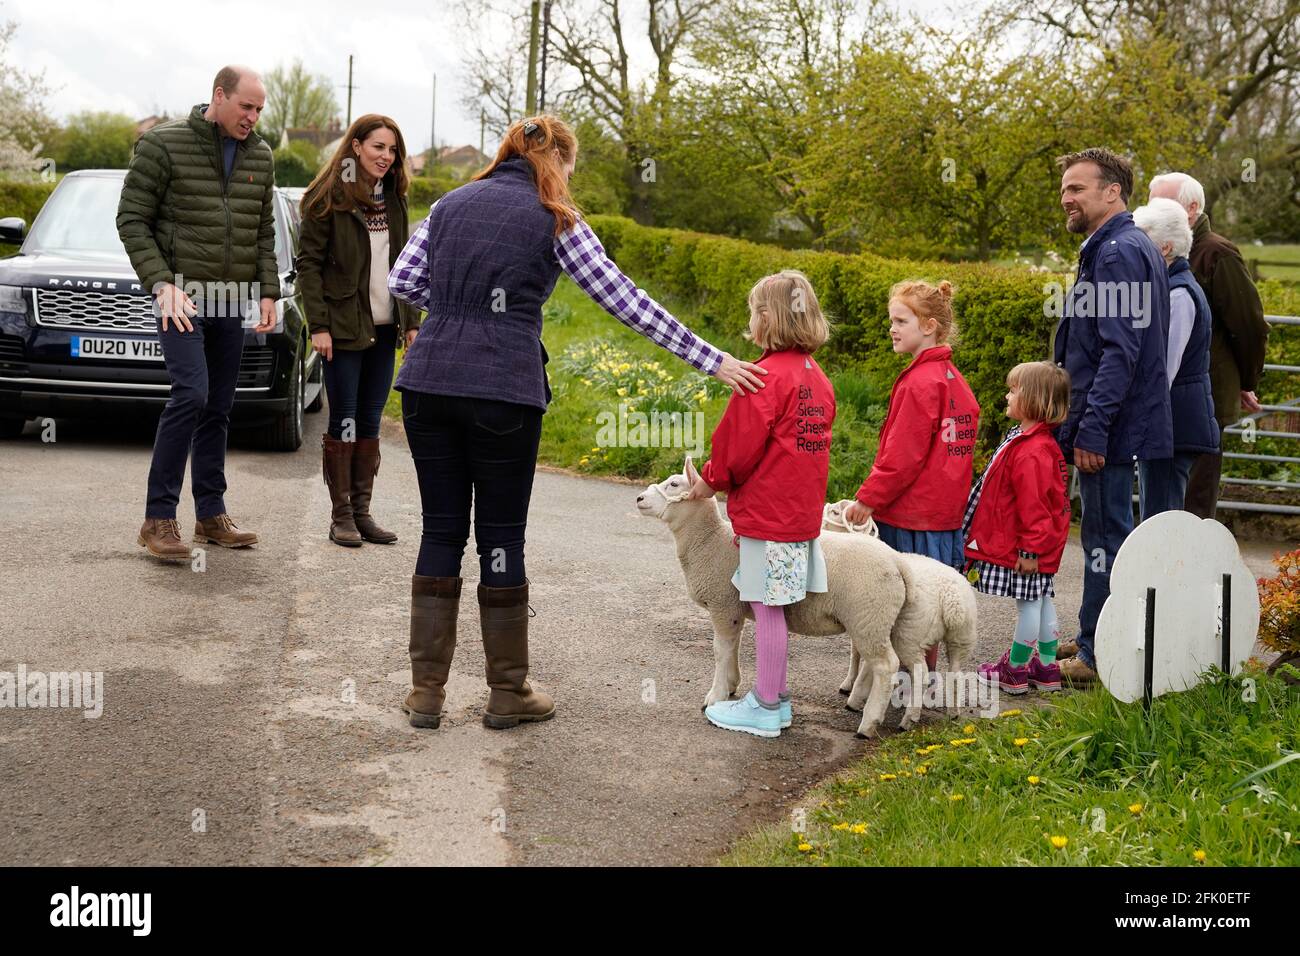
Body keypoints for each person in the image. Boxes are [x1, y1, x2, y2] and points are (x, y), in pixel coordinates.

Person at [387, 115, 767, 731]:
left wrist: (460, 312)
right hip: (504, 391)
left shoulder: (449, 204)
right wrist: (712, 359)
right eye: (569, 169)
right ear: (558, 160)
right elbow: (624, 300)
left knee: (440, 532)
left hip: (428, 383)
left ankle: (426, 693)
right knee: (501, 539)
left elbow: (402, 279)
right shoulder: (556, 218)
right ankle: (507, 692)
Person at [117, 65, 279, 562]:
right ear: (219, 96)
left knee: (219, 407)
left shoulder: (262, 155)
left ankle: (211, 515)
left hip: (230, 299)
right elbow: (131, 219)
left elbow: (262, 231)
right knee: (191, 392)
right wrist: (161, 283)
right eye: (245, 106)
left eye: (258, 110)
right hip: (181, 296)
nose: (252, 117)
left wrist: (268, 292)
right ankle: (158, 518)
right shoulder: (164, 145)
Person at [686, 271, 835, 738]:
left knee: (765, 606)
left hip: (767, 516)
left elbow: (736, 445)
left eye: (754, 312)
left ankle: (766, 706)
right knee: (776, 605)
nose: (750, 320)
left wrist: (709, 480)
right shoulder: (817, 377)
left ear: (767, 318)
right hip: (797, 514)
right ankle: (778, 696)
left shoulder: (763, 377)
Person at [1051, 148, 1171, 684]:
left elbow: (1118, 352)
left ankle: (1102, 656)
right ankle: (1095, 635)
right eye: (1064, 189)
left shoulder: (1118, 252)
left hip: (1111, 429)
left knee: (1106, 539)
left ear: (1112, 192)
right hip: (1116, 425)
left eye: (1077, 188)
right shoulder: (1119, 245)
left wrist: (1092, 427)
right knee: (1106, 535)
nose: (1067, 198)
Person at [843, 279, 980, 674]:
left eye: (901, 320)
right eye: (892, 320)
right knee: (930, 605)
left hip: (910, 516)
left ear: (929, 325)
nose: (892, 328)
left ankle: (904, 685)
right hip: (943, 516)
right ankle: (923, 682)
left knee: (905, 605)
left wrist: (868, 499)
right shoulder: (955, 382)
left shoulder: (920, 383)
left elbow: (901, 458)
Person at [296, 114, 421, 547]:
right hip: (343, 329)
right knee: (344, 418)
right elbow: (308, 267)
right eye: (378, 147)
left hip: (386, 329)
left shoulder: (396, 198)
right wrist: (320, 326)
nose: (386, 157)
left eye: (392, 150)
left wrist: (411, 323)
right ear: (355, 147)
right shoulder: (326, 198)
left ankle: (363, 512)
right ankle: (341, 516)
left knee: (370, 419)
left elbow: (406, 264)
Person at [1148, 172, 1270, 519]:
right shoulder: (1160, 252)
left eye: (1163, 203)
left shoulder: (1216, 252)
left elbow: (1247, 325)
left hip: (1207, 397)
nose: (1152, 211)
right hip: (1173, 396)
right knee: (1168, 494)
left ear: (1192, 208)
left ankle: (1189, 568)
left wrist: (1245, 383)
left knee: (1194, 499)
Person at [967, 362, 1072, 695]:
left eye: (1014, 390)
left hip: (1028, 547)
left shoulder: (1033, 451)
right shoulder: (1029, 441)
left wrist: (1029, 550)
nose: (1007, 395)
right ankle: (1046, 667)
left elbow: (1036, 507)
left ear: (1035, 399)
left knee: (1029, 605)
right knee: (1041, 602)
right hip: (1038, 546)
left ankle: (1015, 670)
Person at [1132, 197, 1219, 514]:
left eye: (1143, 243)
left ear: (1165, 249)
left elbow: (1163, 370)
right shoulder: (1170, 287)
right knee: (1156, 510)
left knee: (1161, 515)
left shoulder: (1179, 294)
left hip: (1172, 426)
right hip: (1167, 422)